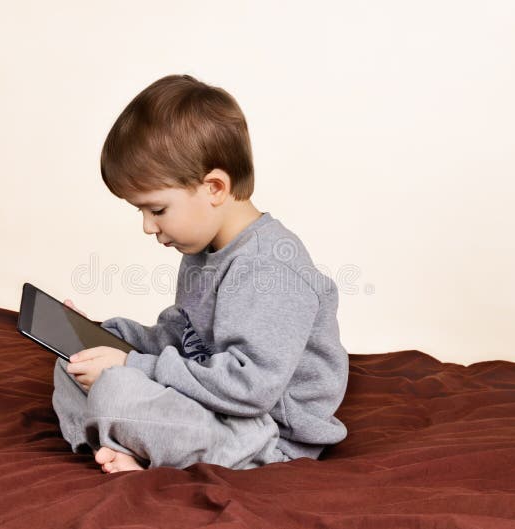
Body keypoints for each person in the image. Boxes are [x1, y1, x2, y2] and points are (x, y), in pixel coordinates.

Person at [52, 74, 349, 473]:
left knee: (116, 388)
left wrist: (132, 367)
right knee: (73, 359)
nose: (147, 226)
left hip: (263, 433)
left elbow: (251, 390)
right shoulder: (204, 250)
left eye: (156, 210)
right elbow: (184, 341)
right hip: (213, 401)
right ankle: (111, 445)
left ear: (214, 187)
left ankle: (124, 435)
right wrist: (107, 336)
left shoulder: (270, 268)